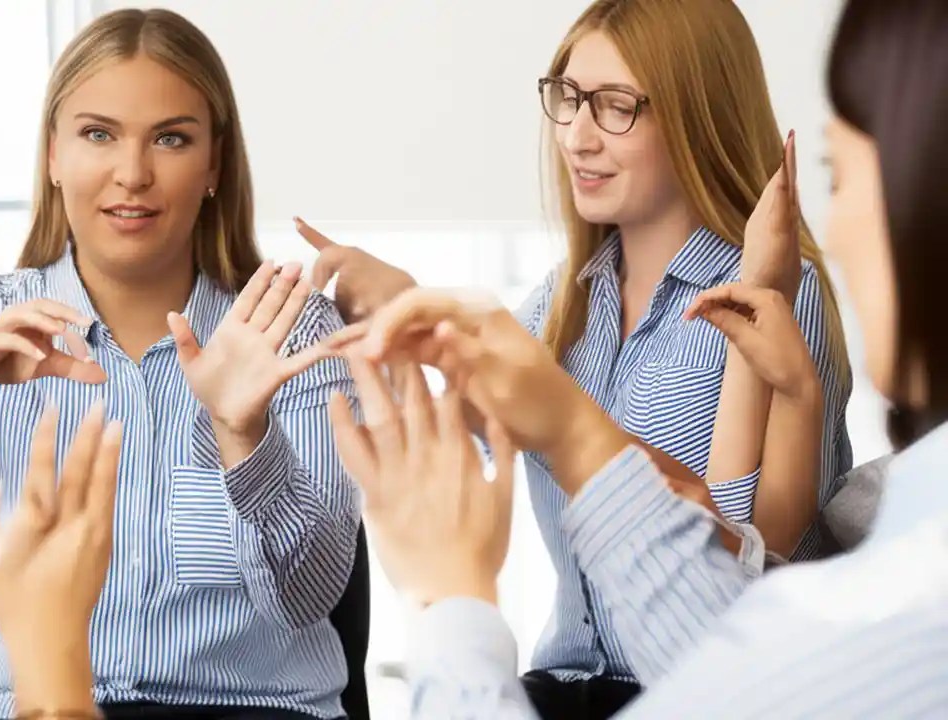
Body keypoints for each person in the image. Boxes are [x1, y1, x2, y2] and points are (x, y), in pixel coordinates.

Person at [326, 0, 948, 715]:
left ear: (696, 117)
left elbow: (745, 560)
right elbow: (469, 420)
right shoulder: (561, 301)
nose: (578, 135)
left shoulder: (776, 293)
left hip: (685, 680)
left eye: (616, 106)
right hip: (562, 685)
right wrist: (385, 327)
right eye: (568, 98)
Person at [0, 8, 359, 720]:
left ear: (214, 163)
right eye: (97, 135)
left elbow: (310, 598)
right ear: (53, 156)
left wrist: (244, 437)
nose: (132, 174)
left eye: (171, 139)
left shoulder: (292, 330)